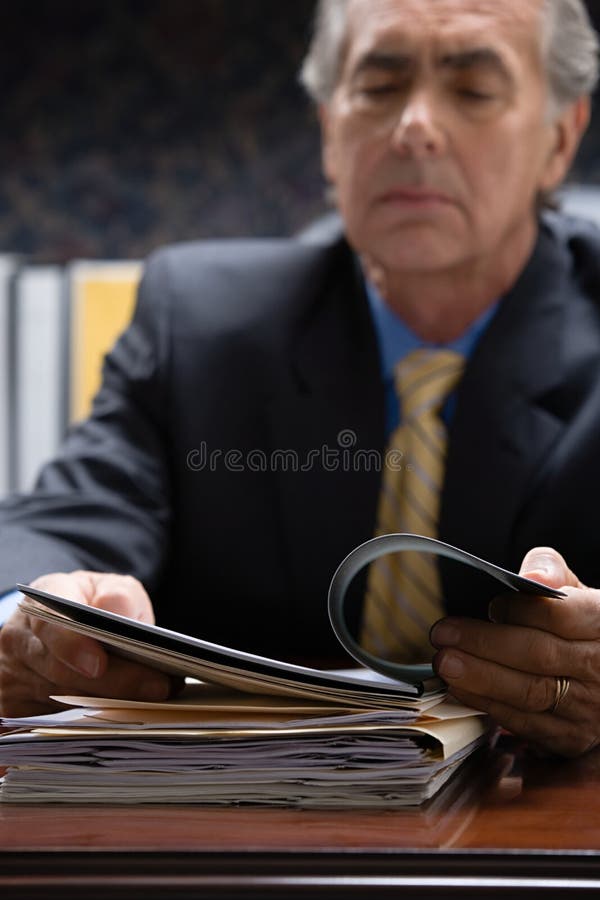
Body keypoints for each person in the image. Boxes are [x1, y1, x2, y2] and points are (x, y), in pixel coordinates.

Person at [0, 0, 599, 758]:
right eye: (378, 87)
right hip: (241, 799)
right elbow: (65, 520)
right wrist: (35, 618)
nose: (415, 126)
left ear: (560, 136)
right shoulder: (199, 321)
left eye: (473, 90)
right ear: (328, 131)